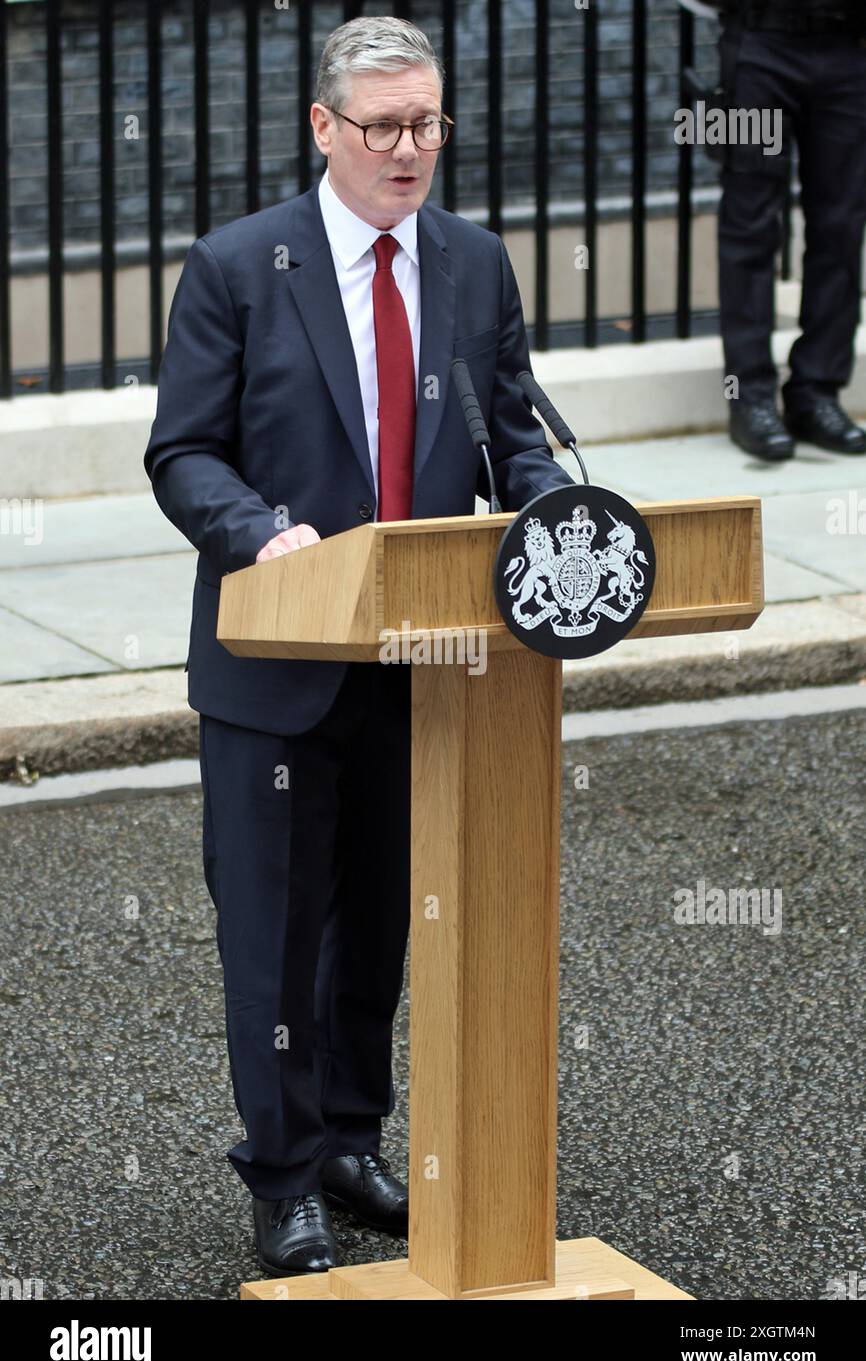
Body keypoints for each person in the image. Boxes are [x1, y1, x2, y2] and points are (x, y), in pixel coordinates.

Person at [143, 15, 573, 1278]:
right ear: (323, 129)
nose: (408, 149)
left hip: (426, 661)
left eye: (426, 123)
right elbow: (183, 451)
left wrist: (550, 511)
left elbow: (514, 430)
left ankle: (346, 1139)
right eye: (381, 126)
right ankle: (280, 1180)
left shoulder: (475, 263)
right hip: (276, 658)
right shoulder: (235, 265)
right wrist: (259, 535)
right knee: (273, 933)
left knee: (381, 922)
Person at [707, 0, 866, 459]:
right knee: (749, 226)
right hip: (760, 42)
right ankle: (750, 398)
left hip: (848, 46)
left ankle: (816, 394)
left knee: (842, 226)